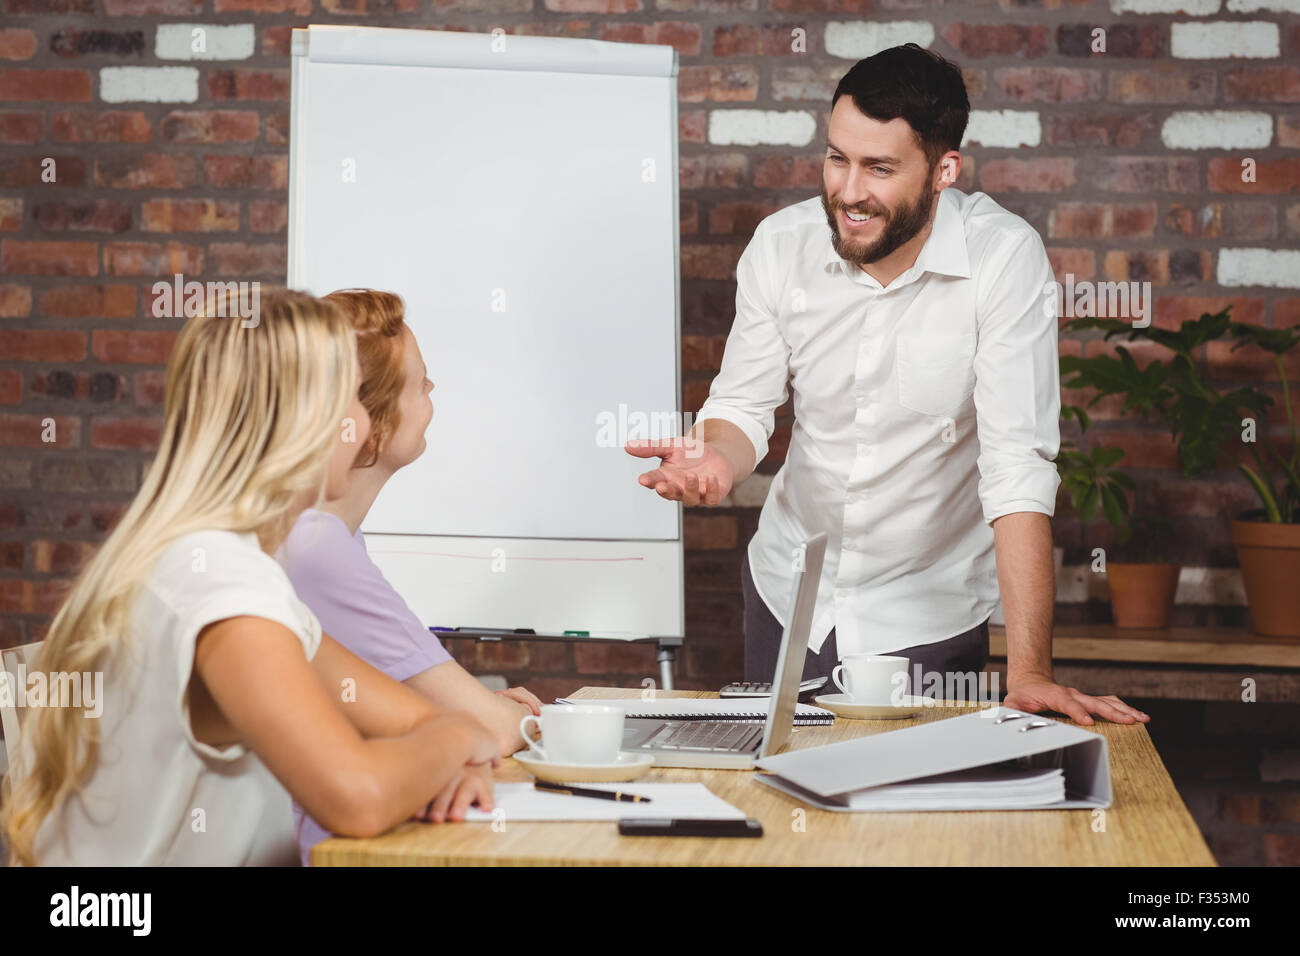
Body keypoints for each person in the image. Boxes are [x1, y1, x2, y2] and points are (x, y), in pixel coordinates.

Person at [626, 44, 1148, 727]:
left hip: (926, 610)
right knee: (786, 811)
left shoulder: (1003, 258)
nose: (847, 191)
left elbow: (1016, 463)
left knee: (911, 822)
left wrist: (1029, 671)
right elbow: (743, 406)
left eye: (878, 168)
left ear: (944, 171)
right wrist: (720, 457)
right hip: (790, 593)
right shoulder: (781, 247)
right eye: (837, 157)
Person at [1, 289, 499, 866]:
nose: (365, 421)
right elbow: (358, 796)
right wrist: (460, 741)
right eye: (352, 401)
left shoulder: (216, 565)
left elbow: (419, 720)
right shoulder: (220, 584)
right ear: (308, 421)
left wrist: (453, 740)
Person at [275, 288, 542, 864]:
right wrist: (495, 719)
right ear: (367, 422)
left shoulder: (326, 538)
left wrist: (472, 723)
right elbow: (485, 727)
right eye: (420, 382)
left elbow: (454, 722)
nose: (432, 393)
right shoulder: (313, 546)